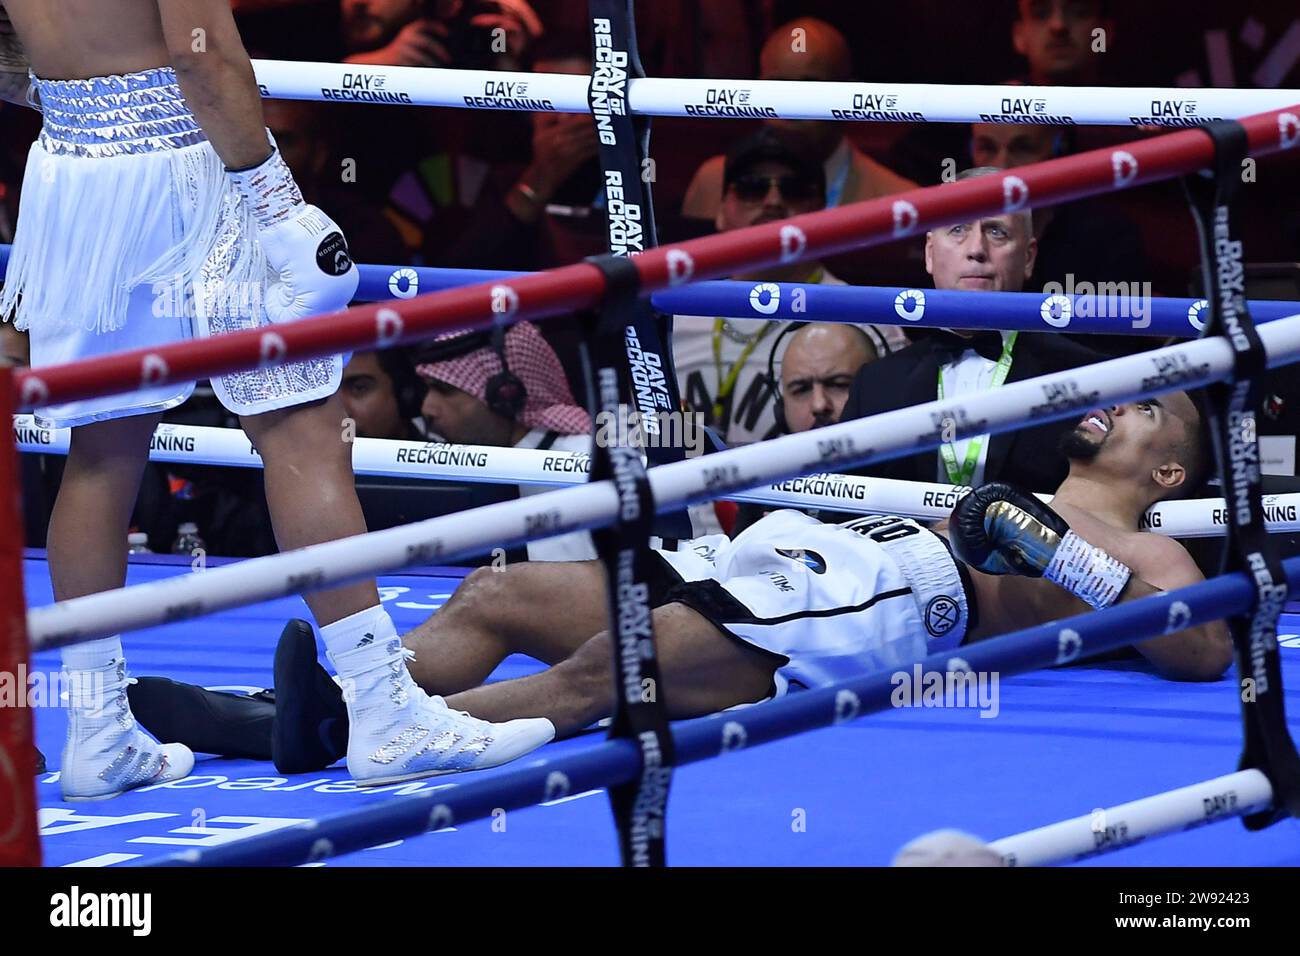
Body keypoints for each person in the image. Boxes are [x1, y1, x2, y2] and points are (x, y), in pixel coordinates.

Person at [0, 0, 552, 796]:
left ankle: (97, 733)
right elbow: (203, 55)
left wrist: (79, 98)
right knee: (301, 427)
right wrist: (275, 201)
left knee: (101, 452)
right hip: (198, 163)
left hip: (73, 176)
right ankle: (384, 712)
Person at [241, 391, 1226, 776]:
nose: (1122, 395)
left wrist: (1059, 551)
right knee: (499, 592)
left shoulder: (1142, 547)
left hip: (885, 604)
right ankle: (333, 704)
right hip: (805, 554)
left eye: (1154, 403)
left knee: (603, 669)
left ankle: (349, 736)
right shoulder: (1002, 487)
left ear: (1169, 472)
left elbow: (1201, 650)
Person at [839, 167, 1105, 493]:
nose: (976, 248)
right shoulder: (876, 384)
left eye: (997, 232)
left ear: (1028, 257)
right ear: (929, 253)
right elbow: (844, 514)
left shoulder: (1085, 377)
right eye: (957, 229)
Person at [675, 128, 905, 447]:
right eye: (752, 188)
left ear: (822, 212)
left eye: (794, 189)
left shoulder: (867, 323)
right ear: (720, 210)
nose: (773, 202)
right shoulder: (672, 314)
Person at [680, 17, 914, 220]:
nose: (791, 104)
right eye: (778, 86)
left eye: (808, 88)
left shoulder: (899, 201)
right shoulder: (713, 183)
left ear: (850, 94)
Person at [414, 321, 597, 562]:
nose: (428, 408)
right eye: (428, 389)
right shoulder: (437, 455)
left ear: (505, 393)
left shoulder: (580, 464)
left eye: (445, 390)